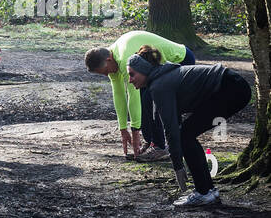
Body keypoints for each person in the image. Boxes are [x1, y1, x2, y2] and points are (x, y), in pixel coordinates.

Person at [128, 46, 251, 207]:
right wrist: (177, 159)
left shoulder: (159, 86)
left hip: (231, 88)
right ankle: (208, 191)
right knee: (186, 135)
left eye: (132, 74)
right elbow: (175, 123)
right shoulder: (162, 79)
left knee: (185, 136)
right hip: (232, 85)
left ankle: (204, 192)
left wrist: (178, 166)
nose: (130, 80)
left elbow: (171, 130)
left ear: (143, 71)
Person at [85, 32, 195, 161]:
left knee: (149, 98)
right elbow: (119, 95)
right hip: (158, 68)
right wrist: (123, 129)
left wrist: (135, 132)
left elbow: (133, 95)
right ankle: (152, 143)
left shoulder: (124, 58)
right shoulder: (110, 58)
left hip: (181, 59)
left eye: (105, 72)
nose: (106, 75)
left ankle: (160, 146)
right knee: (145, 97)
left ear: (108, 60)